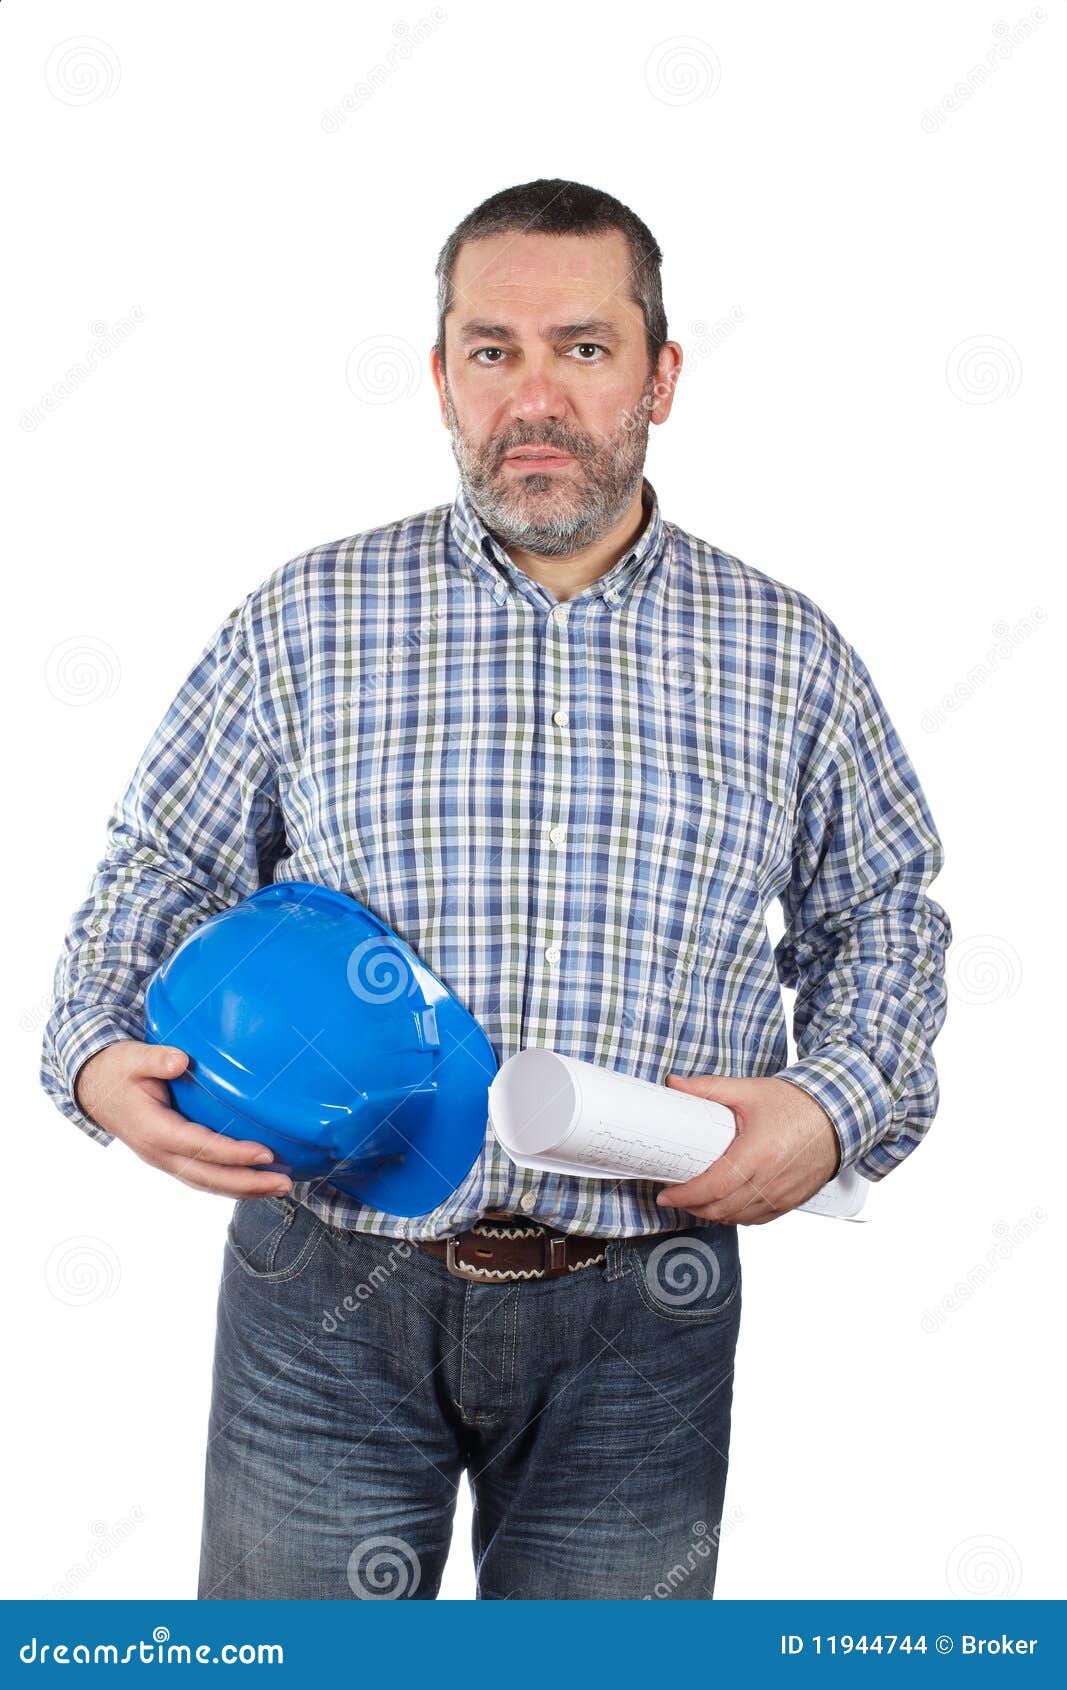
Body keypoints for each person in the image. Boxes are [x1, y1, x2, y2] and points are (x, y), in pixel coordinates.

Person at [40, 178, 951, 1601]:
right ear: (440, 376)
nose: (534, 397)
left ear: (661, 375)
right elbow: (162, 862)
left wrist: (834, 1103)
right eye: (491, 349)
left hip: (643, 1306)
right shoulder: (308, 616)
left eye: (583, 348)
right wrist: (96, 1055)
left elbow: (882, 908)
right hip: (323, 1293)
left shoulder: (788, 653)